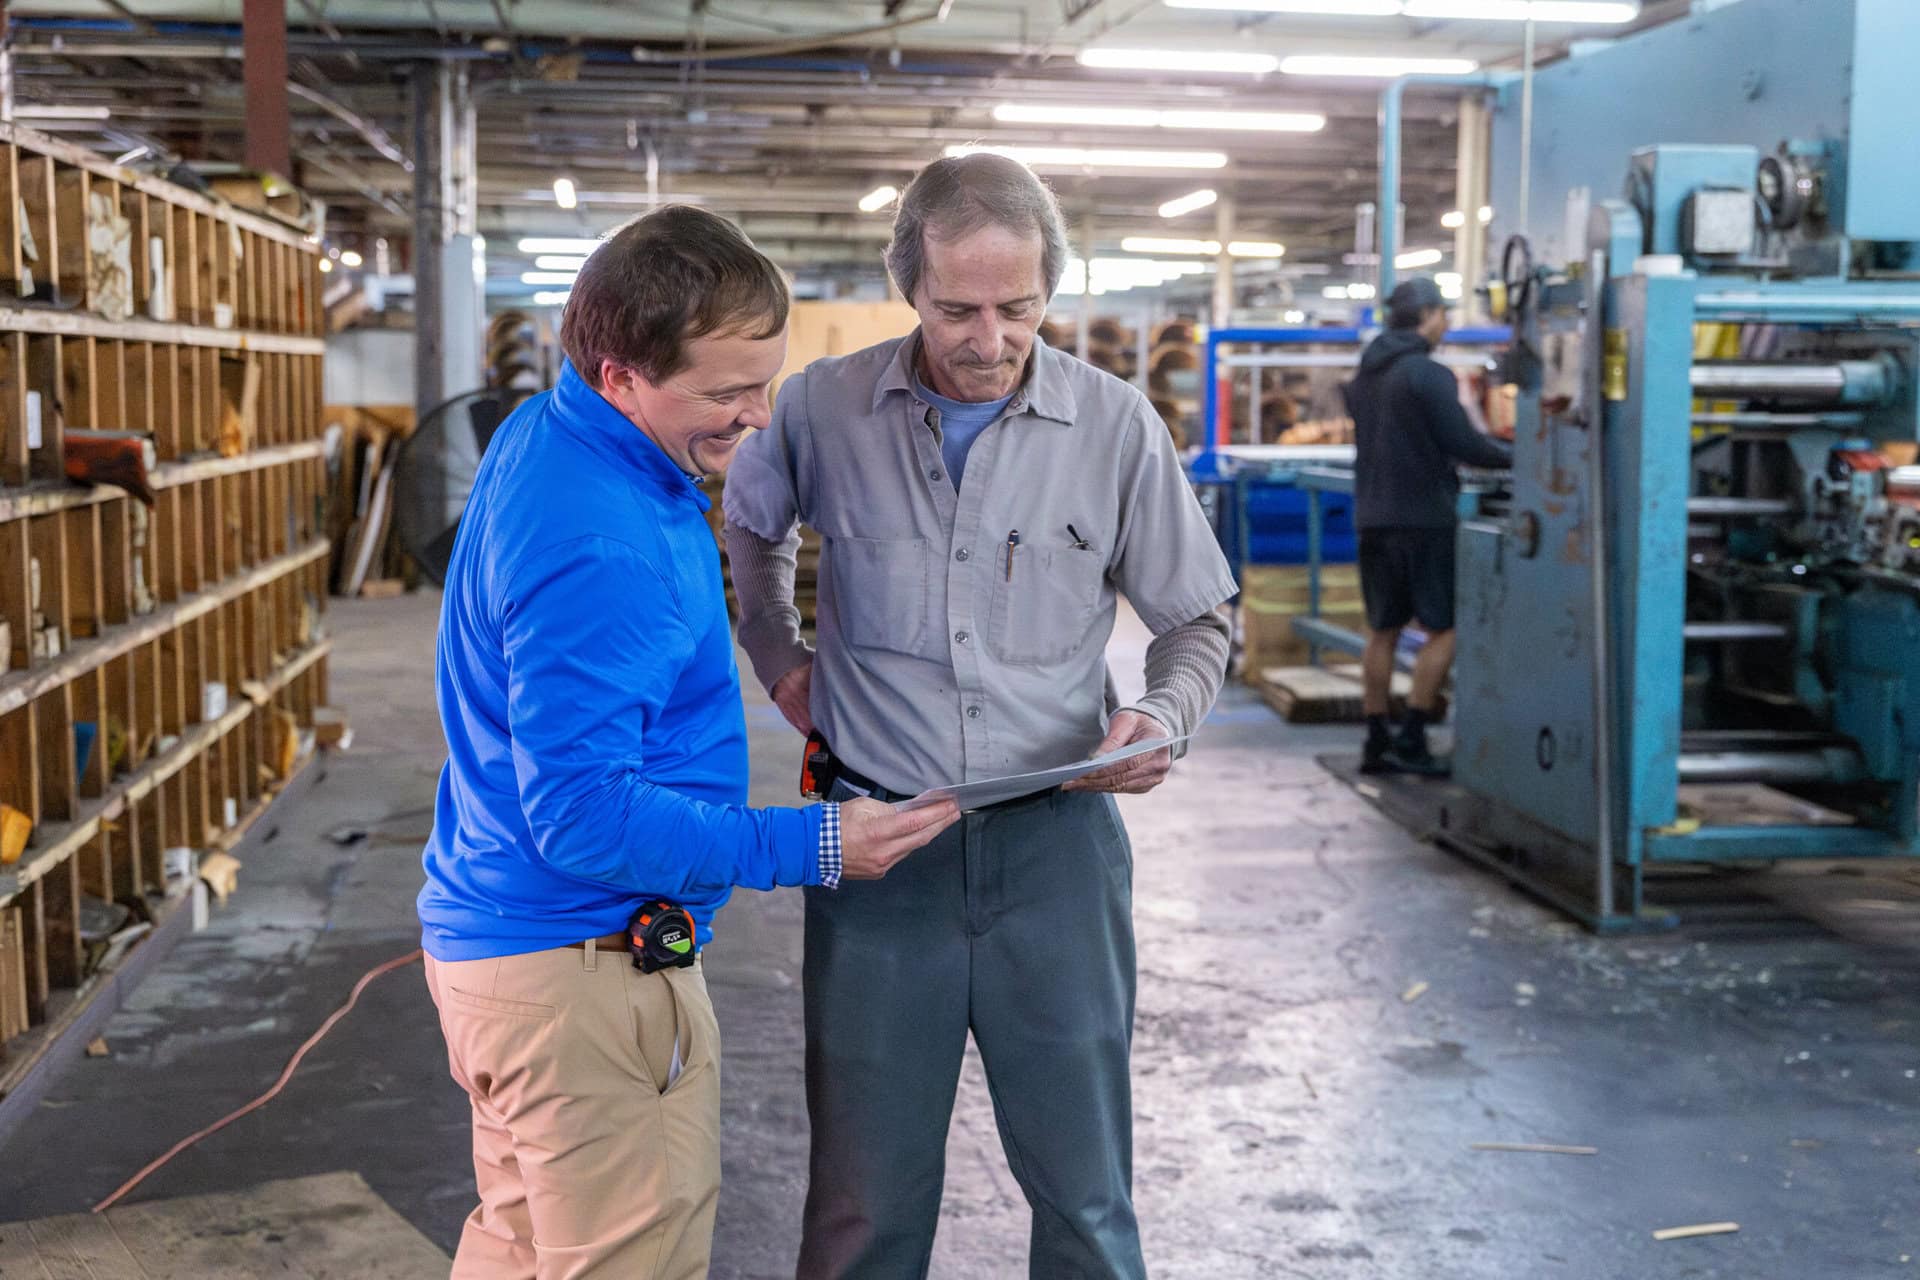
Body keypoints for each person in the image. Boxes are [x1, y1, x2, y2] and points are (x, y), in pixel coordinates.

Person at [417, 205, 959, 1280]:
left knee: (525, 1245)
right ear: (618, 371)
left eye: (765, 382)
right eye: (723, 392)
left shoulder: (553, 432)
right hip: (586, 972)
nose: (756, 418)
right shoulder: (600, 541)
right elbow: (581, 814)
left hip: (505, 950)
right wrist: (812, 845)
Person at [723, 154, 1237, 1279]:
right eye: (958, 308)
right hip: (877, 859)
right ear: (909, 282)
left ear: (1052, 288)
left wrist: (1162, 713)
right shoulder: (818, 407)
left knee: (1087, 1198)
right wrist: (778, 654)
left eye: (1020, 307)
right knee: (863, 1205)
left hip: (1056, 855)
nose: (990, 337)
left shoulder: (1114, 427)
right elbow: (752, 532)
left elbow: (1200, 620)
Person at [1348, 276, 1513, 775]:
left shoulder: (1366, 374)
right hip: (1423, 518)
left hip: (1372, 516)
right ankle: (1414, 737)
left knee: (1383, 629)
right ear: (1429, 317)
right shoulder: (1427, 374)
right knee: (1444, 627)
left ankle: (1376, 739)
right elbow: (1465, 444)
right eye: (1444, 316)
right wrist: (1524, 455)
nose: (1445, 325)